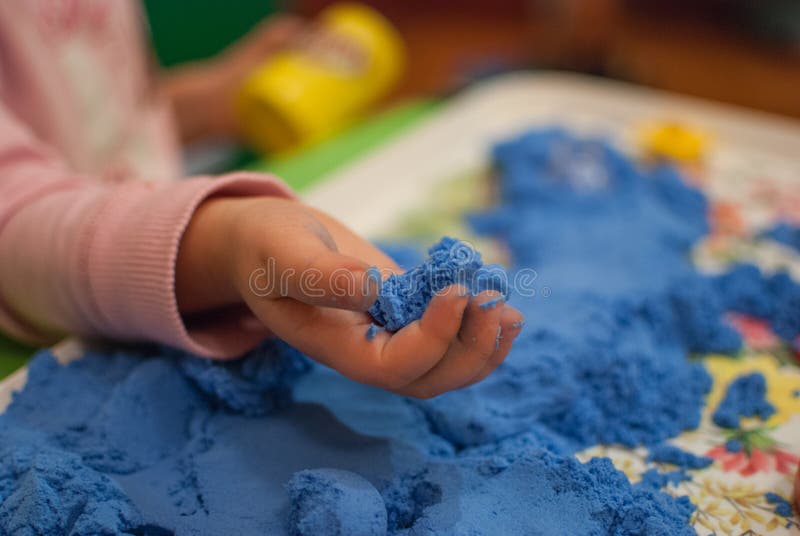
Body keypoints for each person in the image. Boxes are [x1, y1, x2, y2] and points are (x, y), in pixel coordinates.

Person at [0, 1, 523, 399]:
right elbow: (15, 213)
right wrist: (224, 242)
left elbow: (103, 129)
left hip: (130, 242)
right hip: (41, 337)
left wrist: (207, 103)